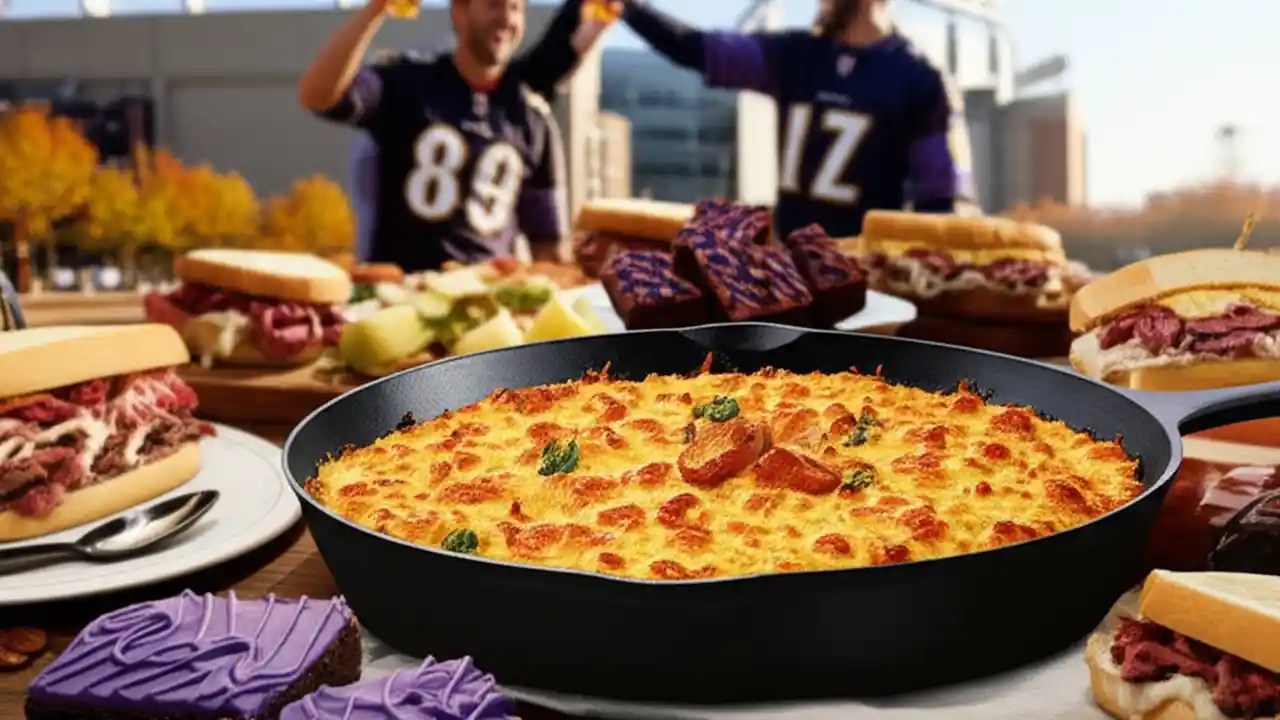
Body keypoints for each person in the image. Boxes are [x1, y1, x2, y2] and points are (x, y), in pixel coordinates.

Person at [618, 0, 976, 240]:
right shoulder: (796, 55)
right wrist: (627, 8)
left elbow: (941, 203)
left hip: (864, 278)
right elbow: (698, 49)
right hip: (791, 268)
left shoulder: (921, 80)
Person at [299, 0, 613, 272]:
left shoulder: (532, 115)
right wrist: (375, 10)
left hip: (490, 300)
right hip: (401, 295)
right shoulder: (408, 81)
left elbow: (547, 248)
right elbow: (318, 95)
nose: (507, 18)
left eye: (516, 8)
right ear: (459, 12)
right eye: (494, 4)